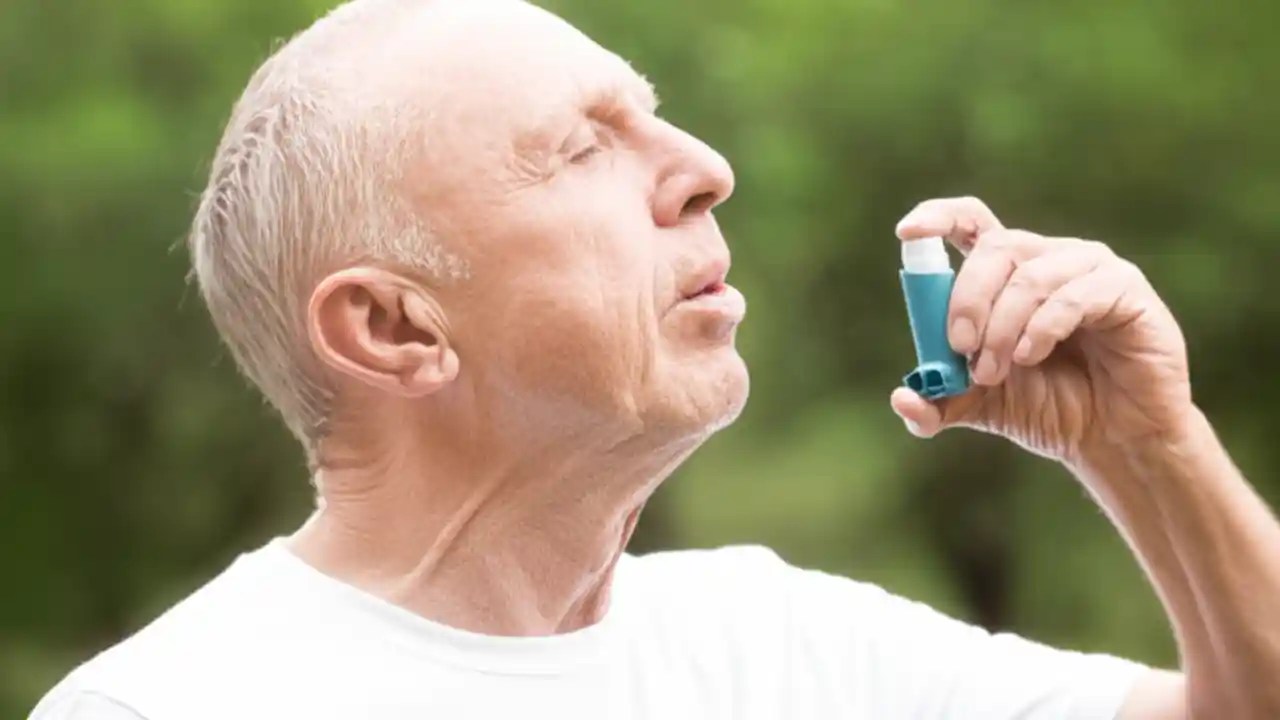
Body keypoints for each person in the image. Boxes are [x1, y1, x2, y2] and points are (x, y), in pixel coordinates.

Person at [29, 0, 1280, 718]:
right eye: (582, 149)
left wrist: (1148, 452)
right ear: (394, 329)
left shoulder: (781, 646)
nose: (702, 167)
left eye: (652, 113)